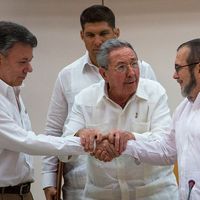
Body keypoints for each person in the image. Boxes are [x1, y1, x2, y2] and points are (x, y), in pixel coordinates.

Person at [42, 4, 157, 200]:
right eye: (90, 35)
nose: (97, 41)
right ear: (81, 36)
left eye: (104, 33)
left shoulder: (141, 71)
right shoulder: (68, 75)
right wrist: (49, 180)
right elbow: (54, 130)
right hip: (82, 185)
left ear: (116, 32)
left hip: (136, 186)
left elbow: (157, 128)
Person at [60, 39, 178, 200]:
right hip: (102, 195)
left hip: (154, 192)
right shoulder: (85, 99)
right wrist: (82, 136)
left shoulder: (154, 92)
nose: (131, 73)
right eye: (121, 67)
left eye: (134, 64)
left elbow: (165, 142)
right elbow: (63, 151)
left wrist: (130, 138)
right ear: (104, 74)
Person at [0, 21, 92, 200]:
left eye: (30, 61)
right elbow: (27, 142)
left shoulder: (12, 91)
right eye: (23, 62)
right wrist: (85, 143)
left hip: (22, 193)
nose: (30, 69)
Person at [115, 38, 200, 200]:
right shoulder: (184, 109)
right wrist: (124, 144)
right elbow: (166, 151)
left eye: (178, 68)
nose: (174, 75)